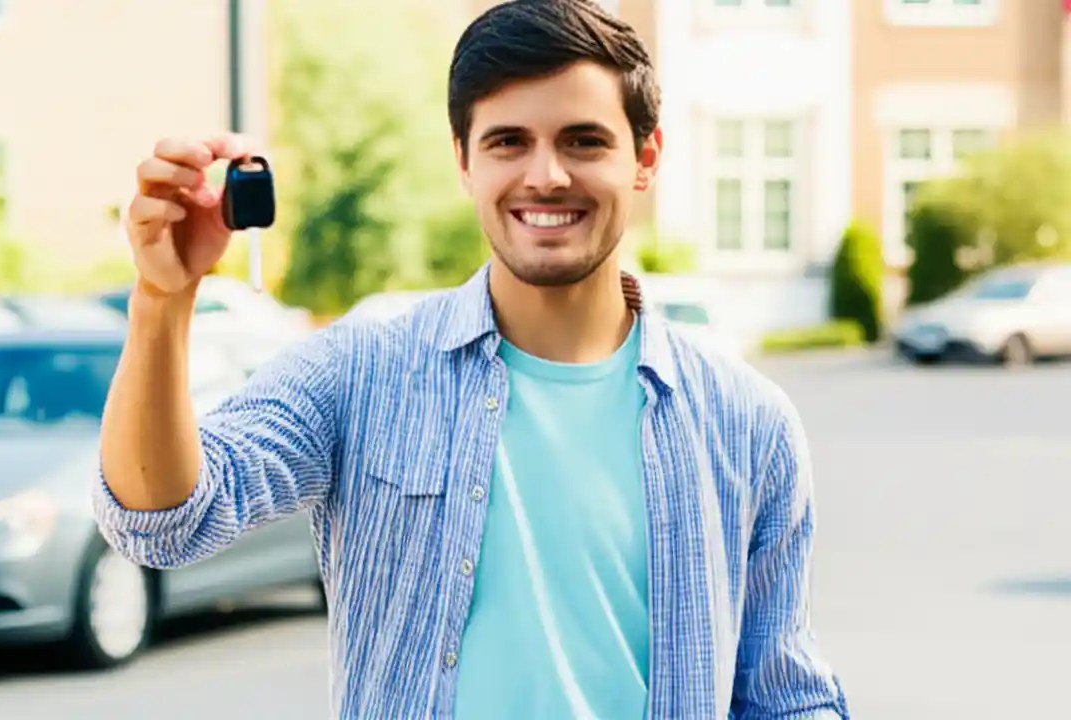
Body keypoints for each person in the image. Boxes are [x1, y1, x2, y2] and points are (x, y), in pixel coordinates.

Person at [94, 0, 849, 717]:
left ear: (645, 157)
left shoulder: (747, 423)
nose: (546, 175)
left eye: (583, 140)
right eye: (508, 141)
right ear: (463, 161)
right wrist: (164, 300)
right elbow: (161, 524)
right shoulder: (363, 370)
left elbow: (784, 697)